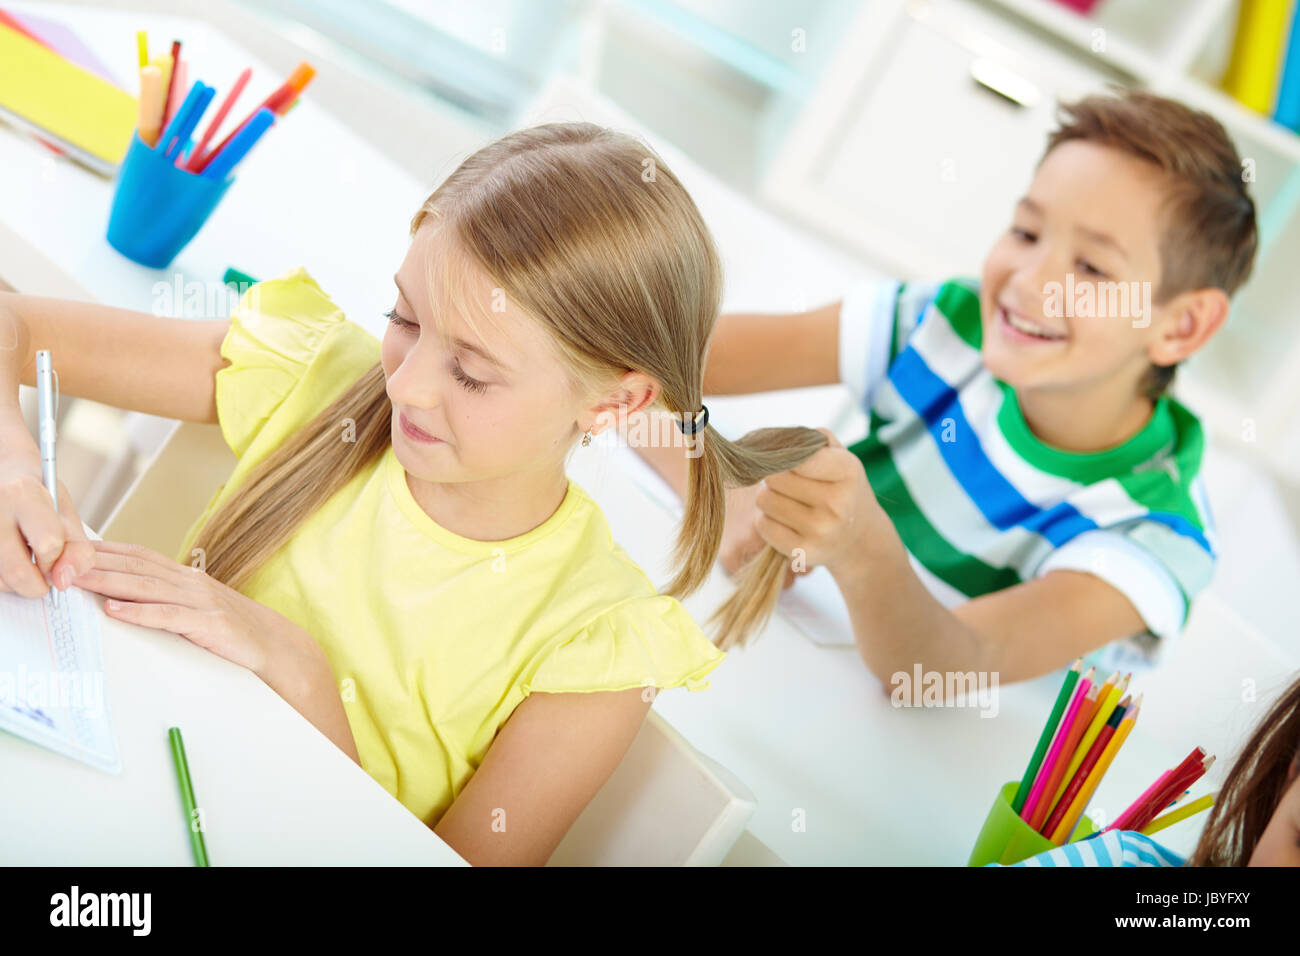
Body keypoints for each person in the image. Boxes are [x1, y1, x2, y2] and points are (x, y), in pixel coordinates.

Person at [0, 121, 826, 865]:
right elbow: (16, 329)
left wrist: (299, 670)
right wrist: (12, 469)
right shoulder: (319, 376)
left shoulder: (598, 643)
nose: (408, 387)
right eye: (404, 317)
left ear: (614, 402)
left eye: (471, 371)